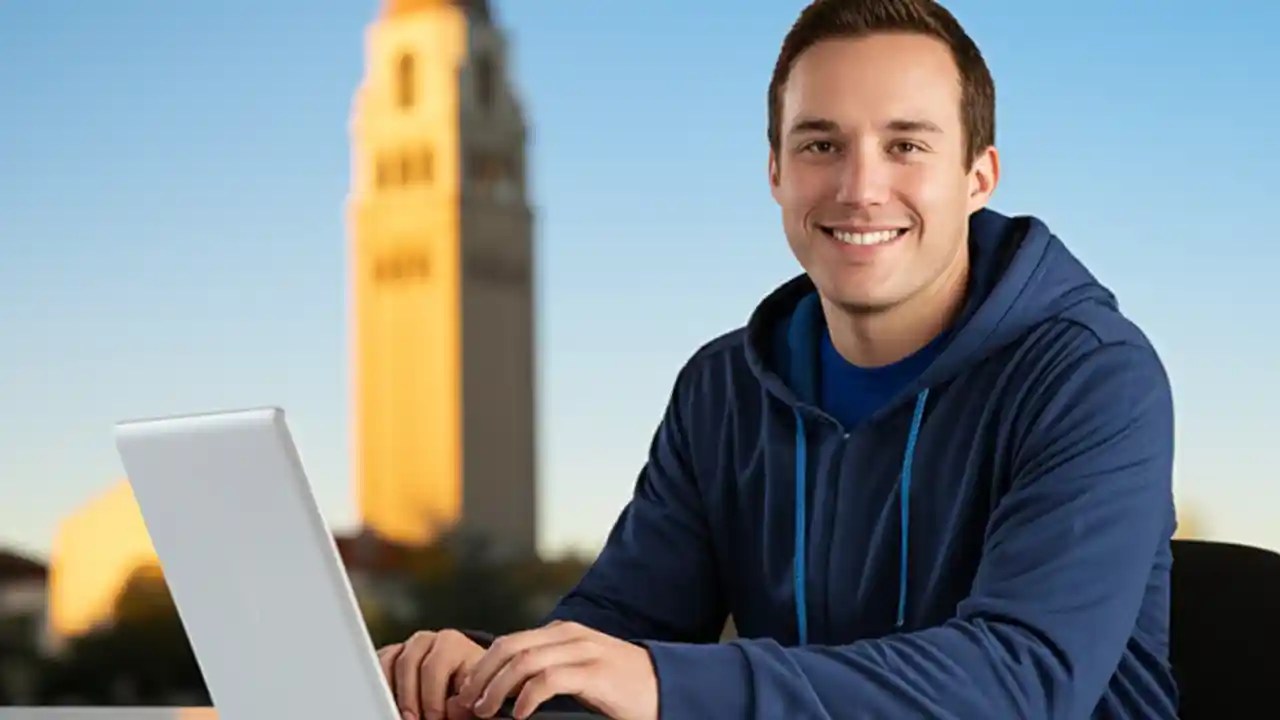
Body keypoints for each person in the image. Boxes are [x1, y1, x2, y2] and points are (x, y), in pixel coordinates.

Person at [377, 0, 1180, 717]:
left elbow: (1022, 681)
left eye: (906, 145)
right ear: (775, 173)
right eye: (821, 144)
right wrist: (482, 674)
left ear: (978, 178)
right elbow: (617, 637)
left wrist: (669, 686)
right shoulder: (722, 390)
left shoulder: (1092, 378)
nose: (861, 187)